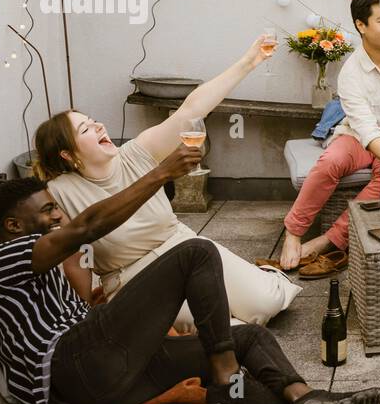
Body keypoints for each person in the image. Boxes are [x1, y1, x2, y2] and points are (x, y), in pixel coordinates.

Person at [0, 149, 380, 404]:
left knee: (248, 336)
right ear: (13, 226)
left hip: (108, 386)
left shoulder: (44, 257)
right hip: (73, 368)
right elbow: (84, 228)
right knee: (195, 254)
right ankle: (226, 382)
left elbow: (83, 303)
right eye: (47, 210)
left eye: (56, 206)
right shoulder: (2, 259)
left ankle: (305, 398)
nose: (57, 215)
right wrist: (160, 174)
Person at [36, 35, 300, 326]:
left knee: (266, 304)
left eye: (93, 119)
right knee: (213, 326)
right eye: (86, 128)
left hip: (185, 248)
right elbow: (73, 260)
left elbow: (190, 110)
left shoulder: (135, 153)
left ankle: (263, 279)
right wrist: (84, 316)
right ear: (67, 154)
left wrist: (249, 61)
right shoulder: (58, 193)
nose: (99, 125)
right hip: (133, 278)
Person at [279, 0, 380, 274]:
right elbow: (368, 133)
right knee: (329, 162)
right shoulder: (351, 73)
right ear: (361, 25)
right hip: (358, 137)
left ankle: (329, 240)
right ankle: (293, 232)